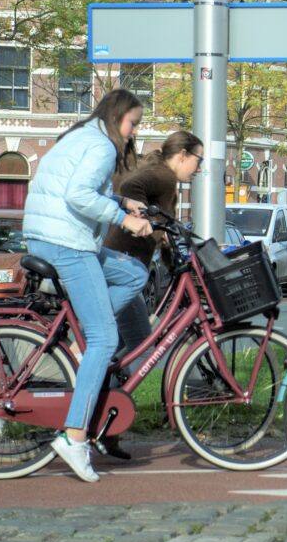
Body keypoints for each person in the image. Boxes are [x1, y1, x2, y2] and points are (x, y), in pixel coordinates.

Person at [23, 89, 154, 483]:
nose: (133, 133)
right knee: (103, 339)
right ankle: (75, 436)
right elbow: (77, 194)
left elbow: (76, 187)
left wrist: (119, 199)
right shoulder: (102, 147)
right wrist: (123, 218)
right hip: (68, 243)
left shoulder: (81, 135)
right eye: (132, 124)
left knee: (133, 273)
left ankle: (85, 327)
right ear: (117, 118)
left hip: (50, 235)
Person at [105, 129, 204, 368]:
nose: (199, 169)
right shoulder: (164, 176)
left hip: (124, 258)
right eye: (198, 160)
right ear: (182, 155)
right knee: (131, 342)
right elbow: (130, 187)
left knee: (130, 343)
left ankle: (111, 397)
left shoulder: (163, 175)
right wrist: (146, 222)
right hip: (124, 262)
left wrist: (161, 232)